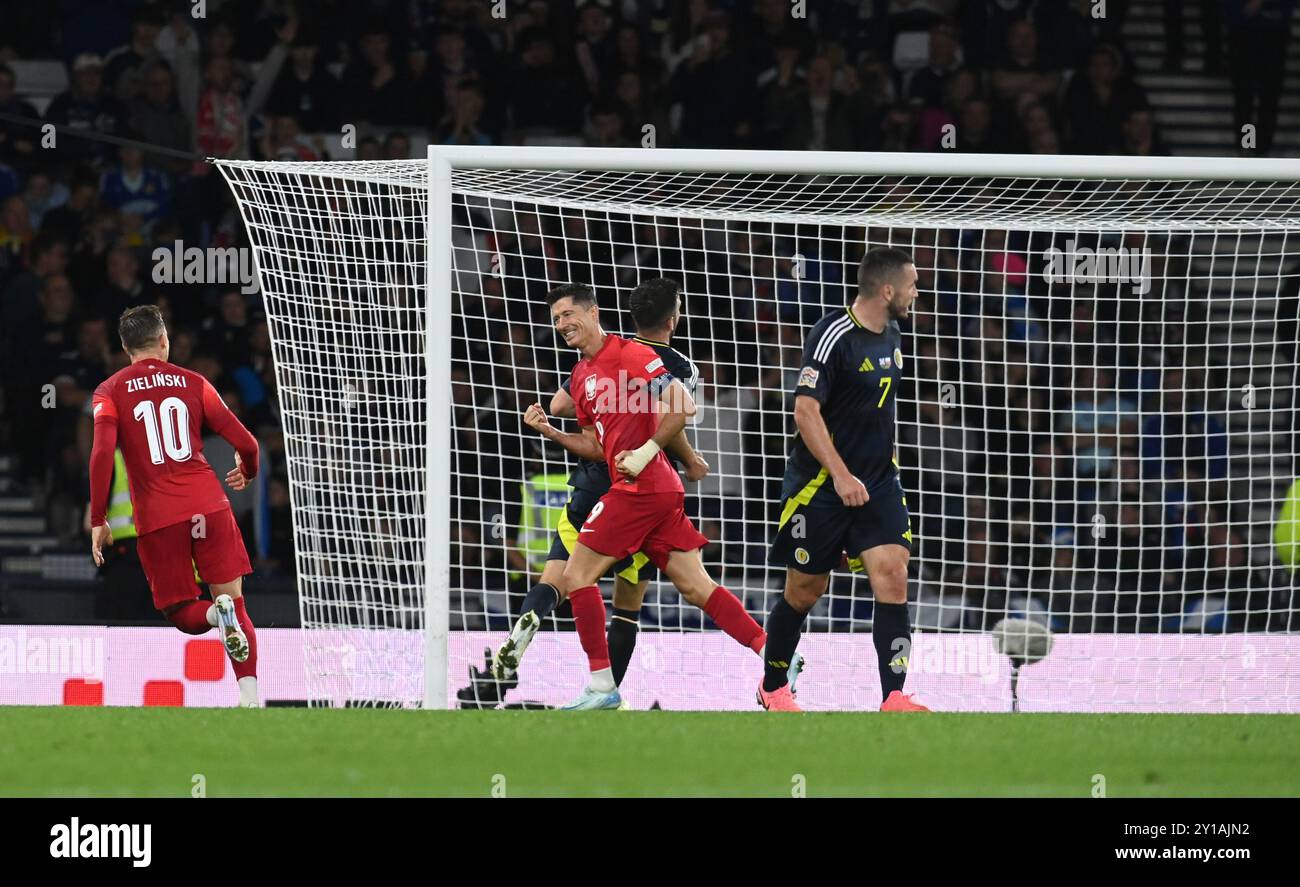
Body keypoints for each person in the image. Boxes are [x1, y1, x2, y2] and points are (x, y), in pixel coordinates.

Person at [498, 282, 774, 709]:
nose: (562, 324)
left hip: (637, 489)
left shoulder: (633, 354)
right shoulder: (582, 375)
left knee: (573, 578)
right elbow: (594, 444)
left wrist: (646, 453)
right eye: (555, 319)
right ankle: (775, 655)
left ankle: (601, 688)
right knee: (695, 586)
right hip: (649, 489)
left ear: (593, 313)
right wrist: (551, 432)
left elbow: (683, 407)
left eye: (569, 314)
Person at [763, 247, 929, 713]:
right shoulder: (833, 334)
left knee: (893, 576)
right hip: (821, 487)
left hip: (878, 482)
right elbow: (805, 410)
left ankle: (894, 696)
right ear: (888, 289)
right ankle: (773, 685)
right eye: (913, 285)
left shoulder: (894, 334)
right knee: (804, 591)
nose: (918, 293)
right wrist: (840, 475)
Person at [88, 305, 262, 707]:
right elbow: (249, 444)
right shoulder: (195, 382)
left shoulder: (109, 390)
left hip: (159, 516)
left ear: (124, 347)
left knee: (181, 610)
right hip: (210, 504)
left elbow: (100, 454)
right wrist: (247, 469)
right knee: (237, 601)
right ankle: (250, 697)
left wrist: (99, 518)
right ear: (164, 341)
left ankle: (215, 617)